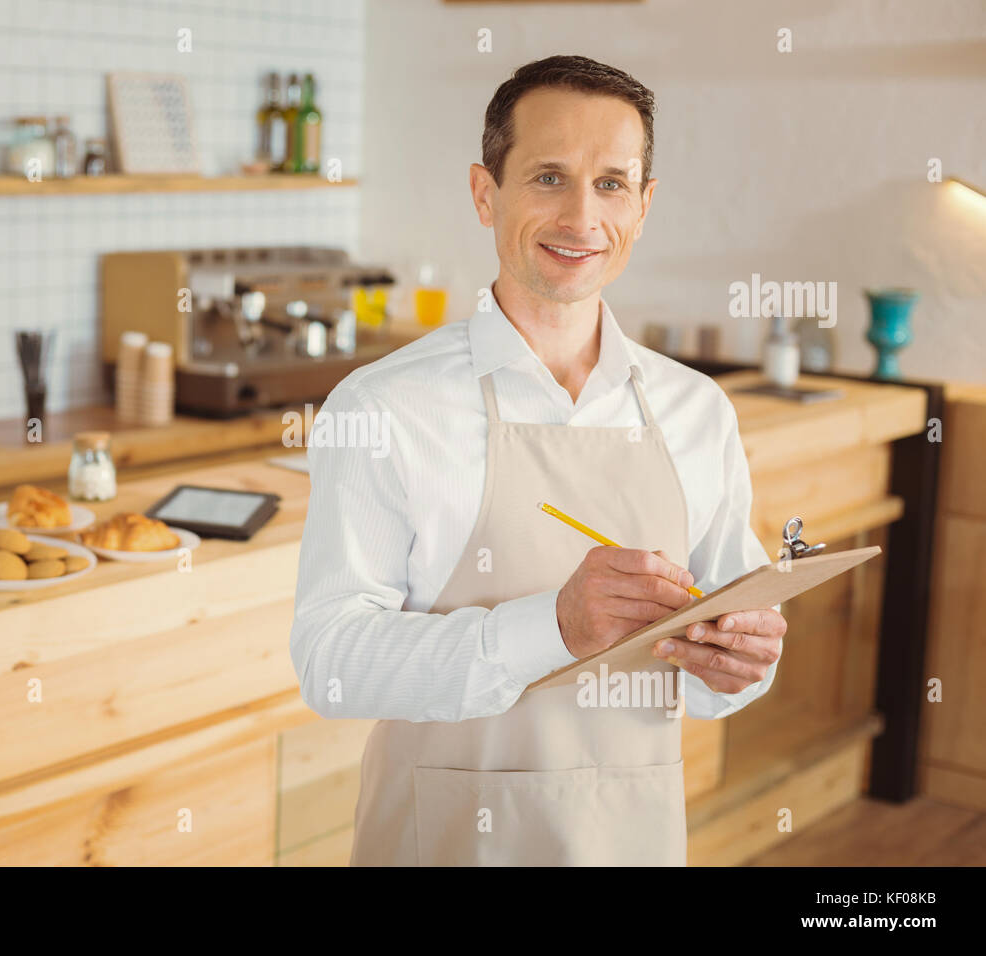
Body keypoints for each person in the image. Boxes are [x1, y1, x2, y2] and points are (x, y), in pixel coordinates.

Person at [289, 55, 786, 866]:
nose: (582, 217)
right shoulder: (383, 408)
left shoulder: (698, 411)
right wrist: (552, 627)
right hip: (442, 840)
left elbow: (719, 660)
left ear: (645, 204)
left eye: (613, 184)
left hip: (633, 836)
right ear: (486, 194)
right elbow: (330, 663)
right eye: (549, 177)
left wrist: (743, 664)